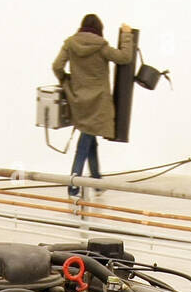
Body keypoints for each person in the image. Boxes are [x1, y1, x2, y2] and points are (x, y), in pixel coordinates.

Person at [52, 14, 134, 197]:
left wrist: (66, 81)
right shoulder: (101, 47)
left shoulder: (70, 44)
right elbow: (125, 58)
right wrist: (127, 35)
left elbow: (57, 66)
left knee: (90, 141)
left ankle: (96, 181)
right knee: (84, 143)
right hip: (98, 103)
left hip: (78, 100)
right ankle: (73, 185)